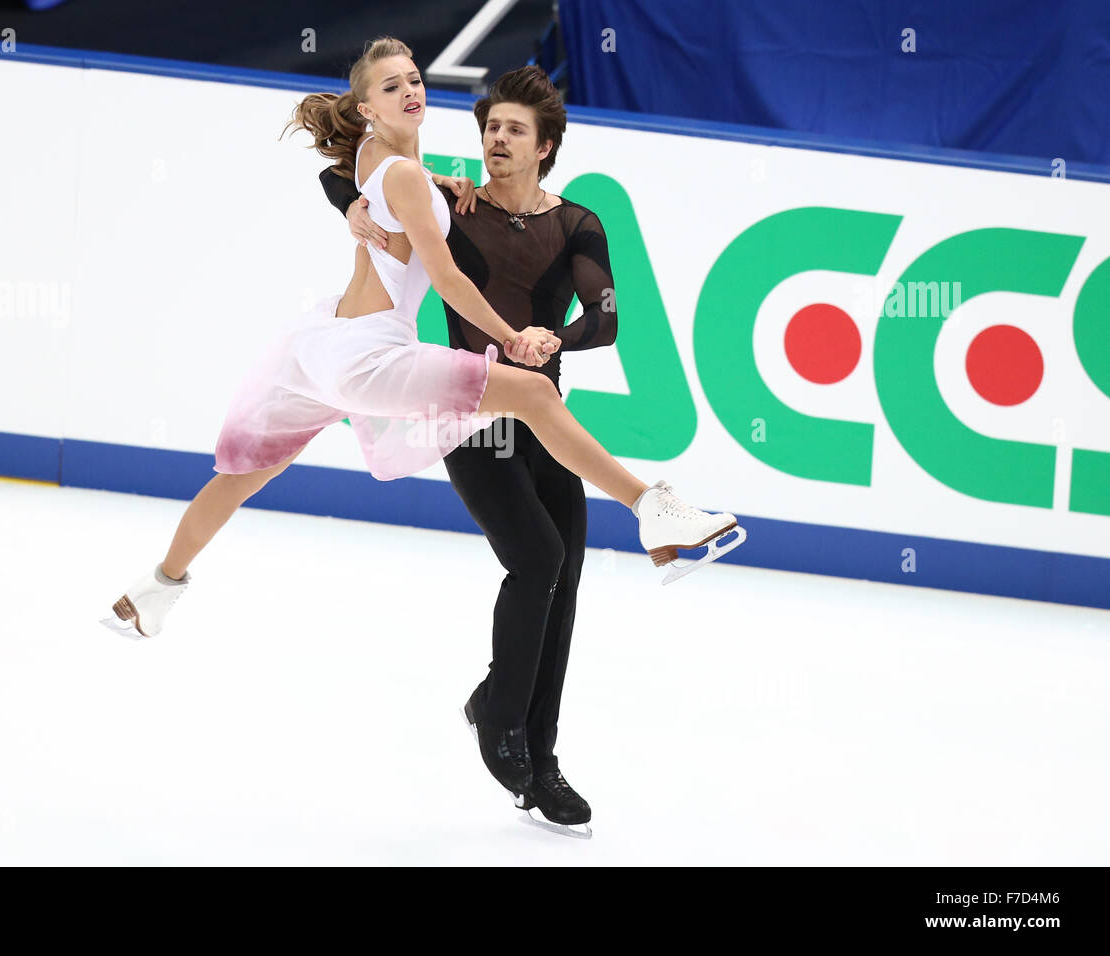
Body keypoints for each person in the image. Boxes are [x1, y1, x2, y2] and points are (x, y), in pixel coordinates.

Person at [103, 37, 745, 826]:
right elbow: (437, 270)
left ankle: (158, 588)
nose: (412, 90)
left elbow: (358, 174)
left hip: (322, 345)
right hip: (379, 357)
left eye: (415, 79)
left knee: (246, 474)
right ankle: (652, 505)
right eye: (392, 84)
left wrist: (396, 194)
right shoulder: (407, 177)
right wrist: (511, 337)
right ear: (368, 105)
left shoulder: (404, 169)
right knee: (537, 408)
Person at [320, 65, 619, 837]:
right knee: (537, 561)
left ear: (545, 146)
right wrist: (352, 205)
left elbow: (607, 317)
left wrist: (563, 336)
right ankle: (501, 730)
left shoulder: (578, 222)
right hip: (474, 415)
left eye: (515, 130)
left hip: (546, 419)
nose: (497, 140)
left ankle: (538, 758)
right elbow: (350, 172)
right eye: (491, 128)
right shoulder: (455, 202)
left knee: (565, 583)